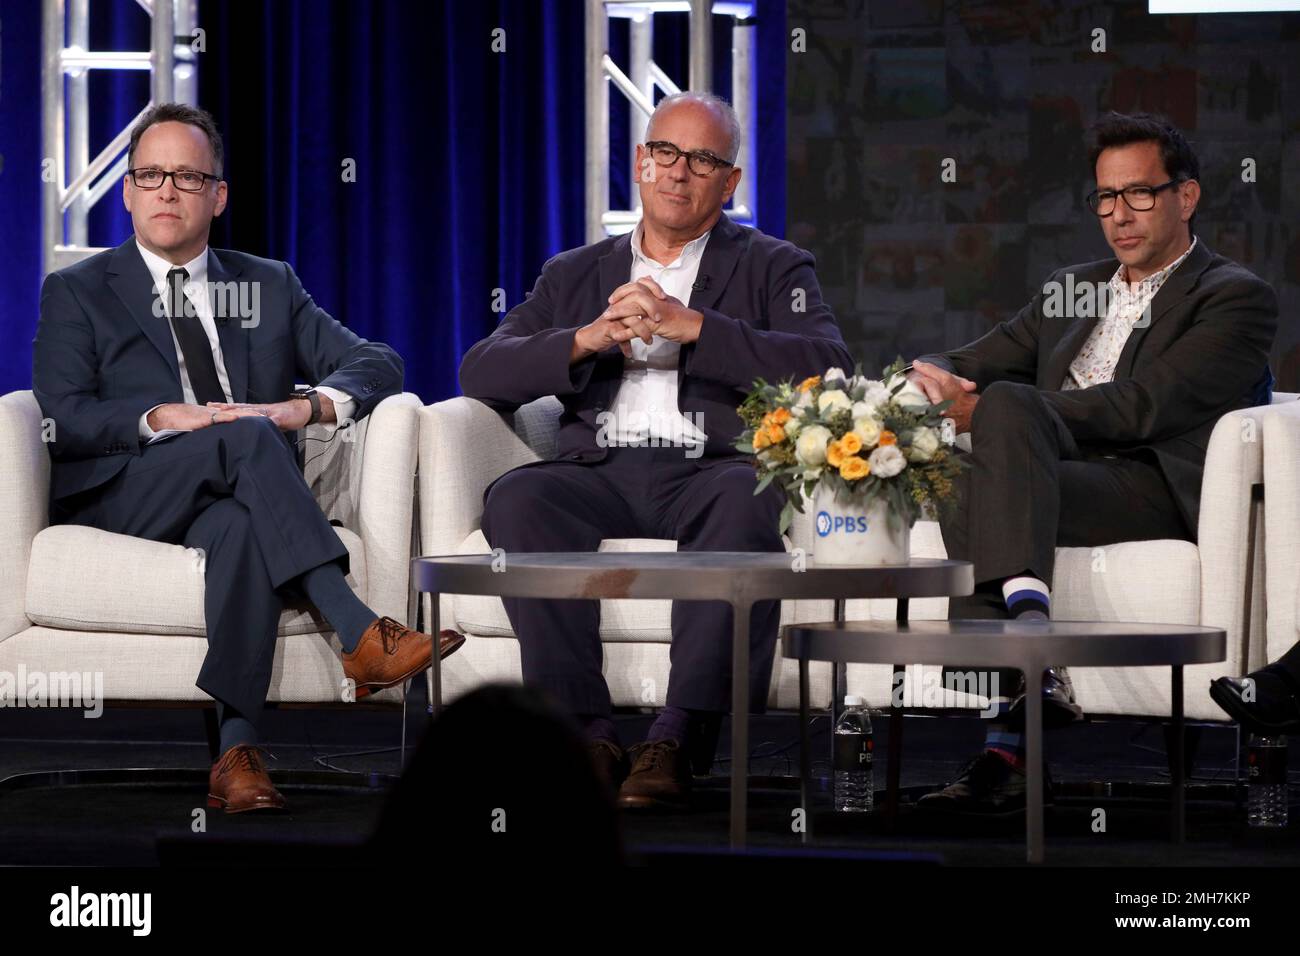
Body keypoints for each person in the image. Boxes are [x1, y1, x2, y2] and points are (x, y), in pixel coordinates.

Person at [31, 103, 462, 813]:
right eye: (150, 175)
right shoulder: (78, 290)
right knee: (248, 434)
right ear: (128, 192)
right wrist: (160, 416)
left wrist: (308, 407)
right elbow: (63, 416)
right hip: (128, 488)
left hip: (237, 492)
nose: (167, 190)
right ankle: (358, 629)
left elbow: (379, 361)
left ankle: (238, 753)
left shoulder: (266, 285)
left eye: (188, 177)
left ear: (219, 195)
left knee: (239, 524)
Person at [459, 92, 853, 810]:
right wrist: (585, 339)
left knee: (745, 497)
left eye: (702, 159)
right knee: (519, 497)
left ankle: (675, 735)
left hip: (711, 468)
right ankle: (585, 732)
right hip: (598, 471)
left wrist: (696, 327)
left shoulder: (773, 266)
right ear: (641, 162)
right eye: (665, 152)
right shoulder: (575, 272)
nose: (679, 172)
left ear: (729, 182)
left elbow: (828, 367)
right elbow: (481, 369)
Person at [906, 111, 1277, 814]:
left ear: (1186, 197)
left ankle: (1006, 739)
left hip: (1150, 481)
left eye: (1139, 193)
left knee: (1006, 413)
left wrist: (1007, 410)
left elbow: (1147, 406)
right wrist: (922, 380)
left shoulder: (1233, 296)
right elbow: (967, 358)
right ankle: (1026, 673)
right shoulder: (1071, 287)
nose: (1119, 216)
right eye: (1106, 197)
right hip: (1045, 474)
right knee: (963, 472)